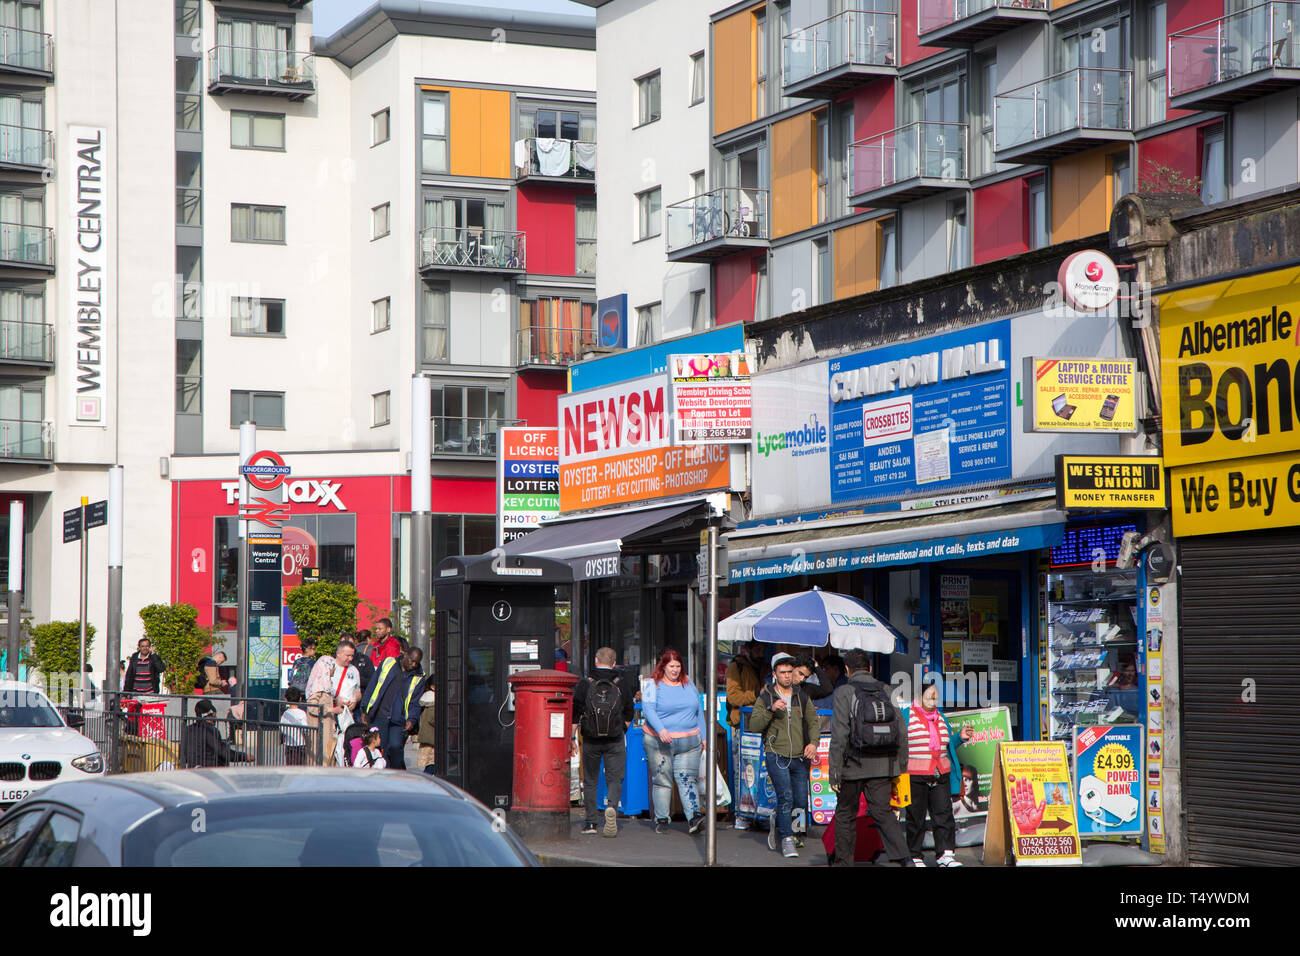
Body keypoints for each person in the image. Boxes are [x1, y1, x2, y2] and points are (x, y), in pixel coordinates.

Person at [829, 648, 911, 867]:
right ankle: (905, 859)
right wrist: (901, 764)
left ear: (847, 670)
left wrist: (834, 771)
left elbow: (839, 734)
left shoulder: (844, 692)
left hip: (852, 765)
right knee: (883, 813)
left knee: (846, 814)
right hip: (884, 765)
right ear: (870, 668)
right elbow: (902, 730)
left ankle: (843, 863)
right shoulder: (886, 689)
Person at [749, 653, 820, 858]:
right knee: (786, 797)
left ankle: (790, 830)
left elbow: (813, 722)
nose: (787, 676)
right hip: (776, 754)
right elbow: (754, 725)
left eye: (790, 672)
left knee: (800, 800)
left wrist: (813, 743)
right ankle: (787, 838)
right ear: (774, 674)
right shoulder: (766, 697)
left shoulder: (801, 695)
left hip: (799, 756)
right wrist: (771, 710)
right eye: (783, 672)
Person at [641, 648, 708, 835]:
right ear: (663, 666)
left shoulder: (689, 683)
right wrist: (661, 730)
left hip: (689, 742)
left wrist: (703, 737)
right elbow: (648, 710)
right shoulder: (653, 686)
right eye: (671, 666)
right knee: (663, 780)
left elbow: (698, 711)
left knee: (687, 779)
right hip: (660, 742)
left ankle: (694, 817)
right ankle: (662, 818)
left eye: (678, 666)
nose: (675, 670)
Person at [905, 680, 971, 867]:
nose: (933, 701)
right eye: (929, 697)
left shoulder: (940, 717)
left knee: (943, 814)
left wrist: (959, 738)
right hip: (915, 775)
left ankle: (945, 854)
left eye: (935, 697)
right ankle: (915, 855)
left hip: (940, 773)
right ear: (919, 697)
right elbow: (899, 744)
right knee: (915, 817)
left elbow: (947, 745)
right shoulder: (907, 716)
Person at [572, 647, 635, 837]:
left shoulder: (585, 683)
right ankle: (612, 810)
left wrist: (572, 738)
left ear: (596, 661)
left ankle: (591, 823)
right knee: (614, 778)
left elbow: (575, 712)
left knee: (590, 780)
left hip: (591, 739)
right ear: (614, 663)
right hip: (615, 739)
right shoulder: (622, 683)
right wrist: (621, 729)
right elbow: (629, 712)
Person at [360, 647, 424, 769]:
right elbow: (373, 684)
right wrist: (365, 708)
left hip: (399, 719)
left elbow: (415, 702)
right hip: (379, 714)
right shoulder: (388, 663)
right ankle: (385, 778)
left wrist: (412, 719)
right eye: (411, 660)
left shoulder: (418, 677)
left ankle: (398, 775)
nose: (413, 664)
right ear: (405, 654)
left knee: (395, 747)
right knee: (381, 749)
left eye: (417, 662)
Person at [304, 639, 361, 766]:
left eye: (352, 655)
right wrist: (333, 710)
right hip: (320, 731)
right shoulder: (318, 687)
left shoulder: (328, 685)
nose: (351, 658)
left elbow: (357, 692)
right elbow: (313, 707)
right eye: (348, 655)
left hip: (333, 726)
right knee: (320, 759)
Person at [181, 699, 247, 768]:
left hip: (192, 768)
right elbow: (222, 751)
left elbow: (184, 752)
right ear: (210, 715)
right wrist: (244, 757)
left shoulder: (188, 729)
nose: (216, 718)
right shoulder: (210, 730)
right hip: (209, 769)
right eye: (215, 715)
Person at [281, 687, 309, 766]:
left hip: (289, 744)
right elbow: (305, 728)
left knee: (290, 765)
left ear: (286, 699)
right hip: (300, 744)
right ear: (300, 699)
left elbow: (282, 729)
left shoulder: (285, 714)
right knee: (300, 766)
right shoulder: (302, 713)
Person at [415, 670, 436, 770]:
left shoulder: (426, 699)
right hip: (431, 737)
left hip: (426, 736)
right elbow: (432, 718)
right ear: (433, 686)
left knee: (430, 764)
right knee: (432, 764)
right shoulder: (433, 701)